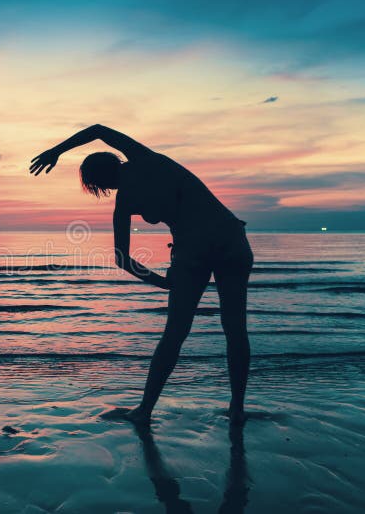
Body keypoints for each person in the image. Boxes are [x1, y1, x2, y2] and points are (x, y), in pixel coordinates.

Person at [30, 124, 253, 426]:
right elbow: (97, 130)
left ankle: (145, 410)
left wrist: (163, 283)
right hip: (230, 236)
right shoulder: (147, 160)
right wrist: (56, 151)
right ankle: (237, 408)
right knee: (235, 328)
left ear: (100, 182)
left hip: (195, 250)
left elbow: (122, 258)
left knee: (175, 334)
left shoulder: (133, 183)